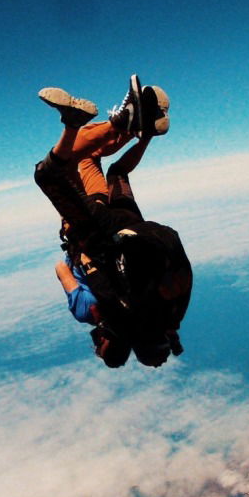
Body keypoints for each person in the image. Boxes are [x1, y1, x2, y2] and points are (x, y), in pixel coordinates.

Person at [33, 76, 192, 368]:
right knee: (50, 174)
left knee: (110, 169)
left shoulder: (169, 314)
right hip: (95, 231)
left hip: (135, 226)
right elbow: (62, 270)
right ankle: (83, 122)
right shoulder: (95, 311)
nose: (96, 343)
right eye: (100, 346)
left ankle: (143, 132)